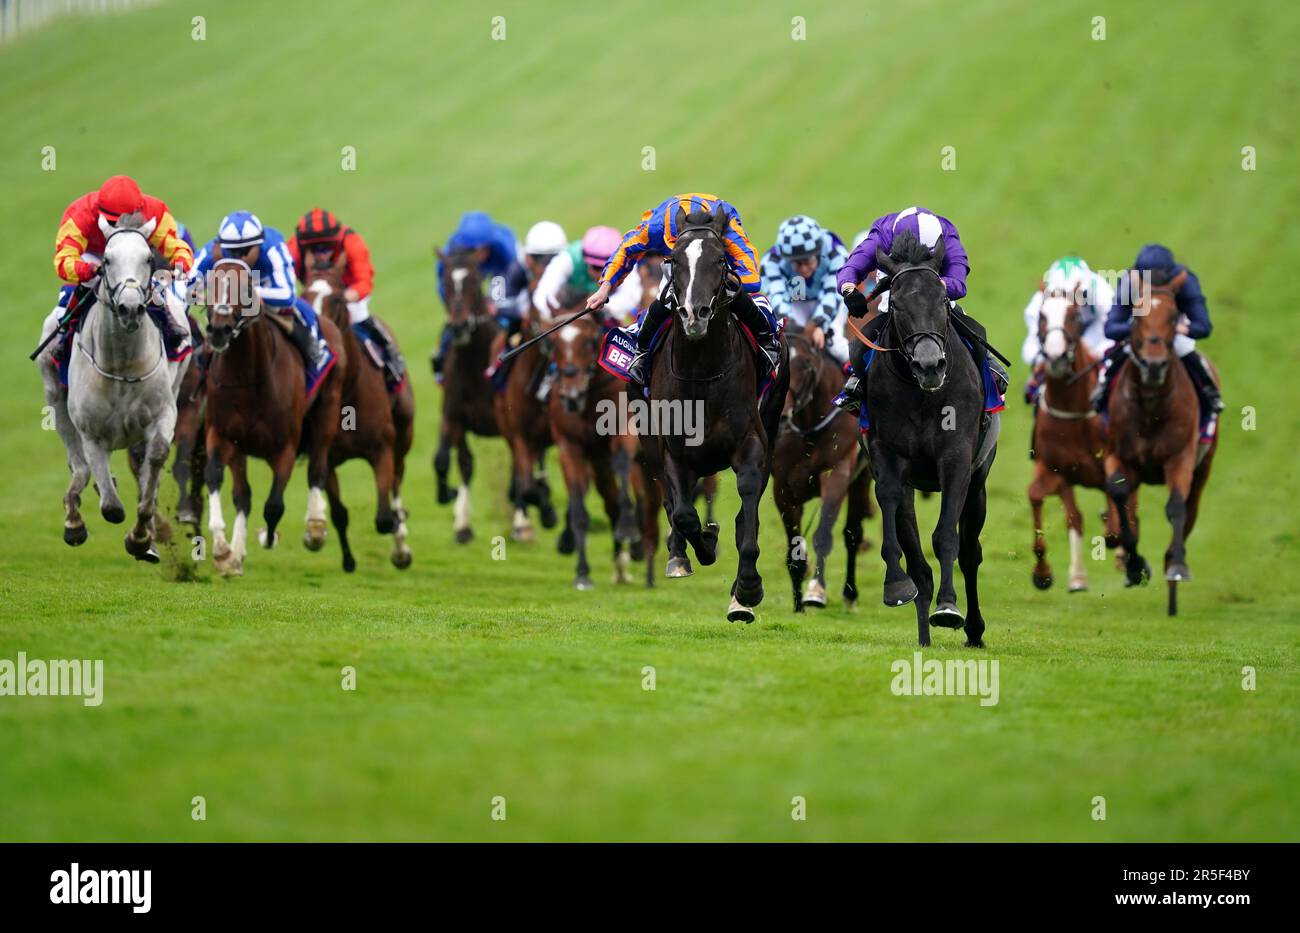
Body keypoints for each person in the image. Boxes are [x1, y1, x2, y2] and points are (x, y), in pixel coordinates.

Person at [585, 193, 778, 386]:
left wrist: (718, 283)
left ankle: (767, 342)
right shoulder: (656, 226)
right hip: (682, 264)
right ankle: (641, 354)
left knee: (744, 296)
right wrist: (605, 288)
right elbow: (626, 250)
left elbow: (752, 279)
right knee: (666, 298)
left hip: (716, 263)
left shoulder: (726, 223)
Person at [833, 205, 1006, 411]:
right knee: (867, 336)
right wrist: (849, 290)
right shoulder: (883, 234)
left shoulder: (947, 234)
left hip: (935, 290)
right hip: (897, 285)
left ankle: (988, 369)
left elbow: (959, 285)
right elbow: (851, 267)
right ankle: (857, 380)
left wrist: (932, 286)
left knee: (973, 330)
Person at [44, 174, 194, 368]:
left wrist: (180, 266)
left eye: (124, 221)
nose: (118, 227)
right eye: (112, 222)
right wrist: (89, 270)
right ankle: (65, 333)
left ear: (138, 210)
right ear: (99, 211)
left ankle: (169, 322)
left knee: (147, 278)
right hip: (94, 256)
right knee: (84, 285)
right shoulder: (80, 212)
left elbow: (177, 247)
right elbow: (63, 260)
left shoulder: (155, 211)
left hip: (131, 255)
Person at [189, 211, 336, 395]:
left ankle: (313, 348)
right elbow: (185, 285)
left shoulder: (273, 249)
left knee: (297, 309)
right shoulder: (212, 252)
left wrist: (248, 291)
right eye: (232, 252)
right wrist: (207, 295)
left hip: (264, 290)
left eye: (245, 252)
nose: (239, 258)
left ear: (259, 245)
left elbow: (287, 295)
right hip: (228, 296)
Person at [1093, 243, 1223, 414]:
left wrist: (1182, 329)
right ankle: (1103, 389)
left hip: (1172, 330)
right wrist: (1138, 329)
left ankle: (1210, 392)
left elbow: (1204, 326)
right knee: (1119, 354)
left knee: (1184, 348)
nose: (1153, 287)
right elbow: (1111, 328)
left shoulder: (1186, 282)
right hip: (1141, 328)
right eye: (1148, 281)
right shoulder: (1129, 282)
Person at [289, 208, 403, 385]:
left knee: (359, 315)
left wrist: (349, 295)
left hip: (347, 291)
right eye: (314, 249)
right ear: (304, 246)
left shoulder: (352, 243)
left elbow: (364, 280)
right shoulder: (294, 248)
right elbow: (285, 277)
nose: (320, 254)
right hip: (314, 291)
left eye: (326, 248)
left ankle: (389, 356)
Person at [430, 211, 528, 377]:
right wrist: (453, 311)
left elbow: (506, 280)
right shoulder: (450, 255)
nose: (480, 254)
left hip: (501, 273)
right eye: (474, 250)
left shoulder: (503, 248)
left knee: (503, 314)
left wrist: (494, 302)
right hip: (467, 278)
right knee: (454, 321)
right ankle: (440, 360)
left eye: (484, 249)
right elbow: (444, 288)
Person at [1020, 256, 1113, 403]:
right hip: (1060, 331)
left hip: (1094, 327)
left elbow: (1110, 332)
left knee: (1104, 360)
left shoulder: (1101, 291)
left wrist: (1097, 353)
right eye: (1061, 294)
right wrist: (1042, 360)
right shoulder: (1040, 302)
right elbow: (1031, 347)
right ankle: (1038, 390)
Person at [761, 214, 851, 363]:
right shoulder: (771, 261)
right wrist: (793, 328)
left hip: (829, 296)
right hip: (798, 296)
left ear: (818, 253)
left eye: (808, 261)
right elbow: (777, 297)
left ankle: (855, 374)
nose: (803, 269)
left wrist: (819, 324)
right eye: (796, 263)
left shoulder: (835, 251)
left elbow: (832, 293)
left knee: (835, 343)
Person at [533, 226, 640, 326]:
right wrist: (561, 313)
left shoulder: (627, 260)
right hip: (567, 310)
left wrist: (602, 309)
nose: (603, 275)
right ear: (584, 259)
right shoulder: (567, 259)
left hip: (603, 316)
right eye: (596, 267)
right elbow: (542, 294)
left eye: (609, 269)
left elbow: (631, 296)